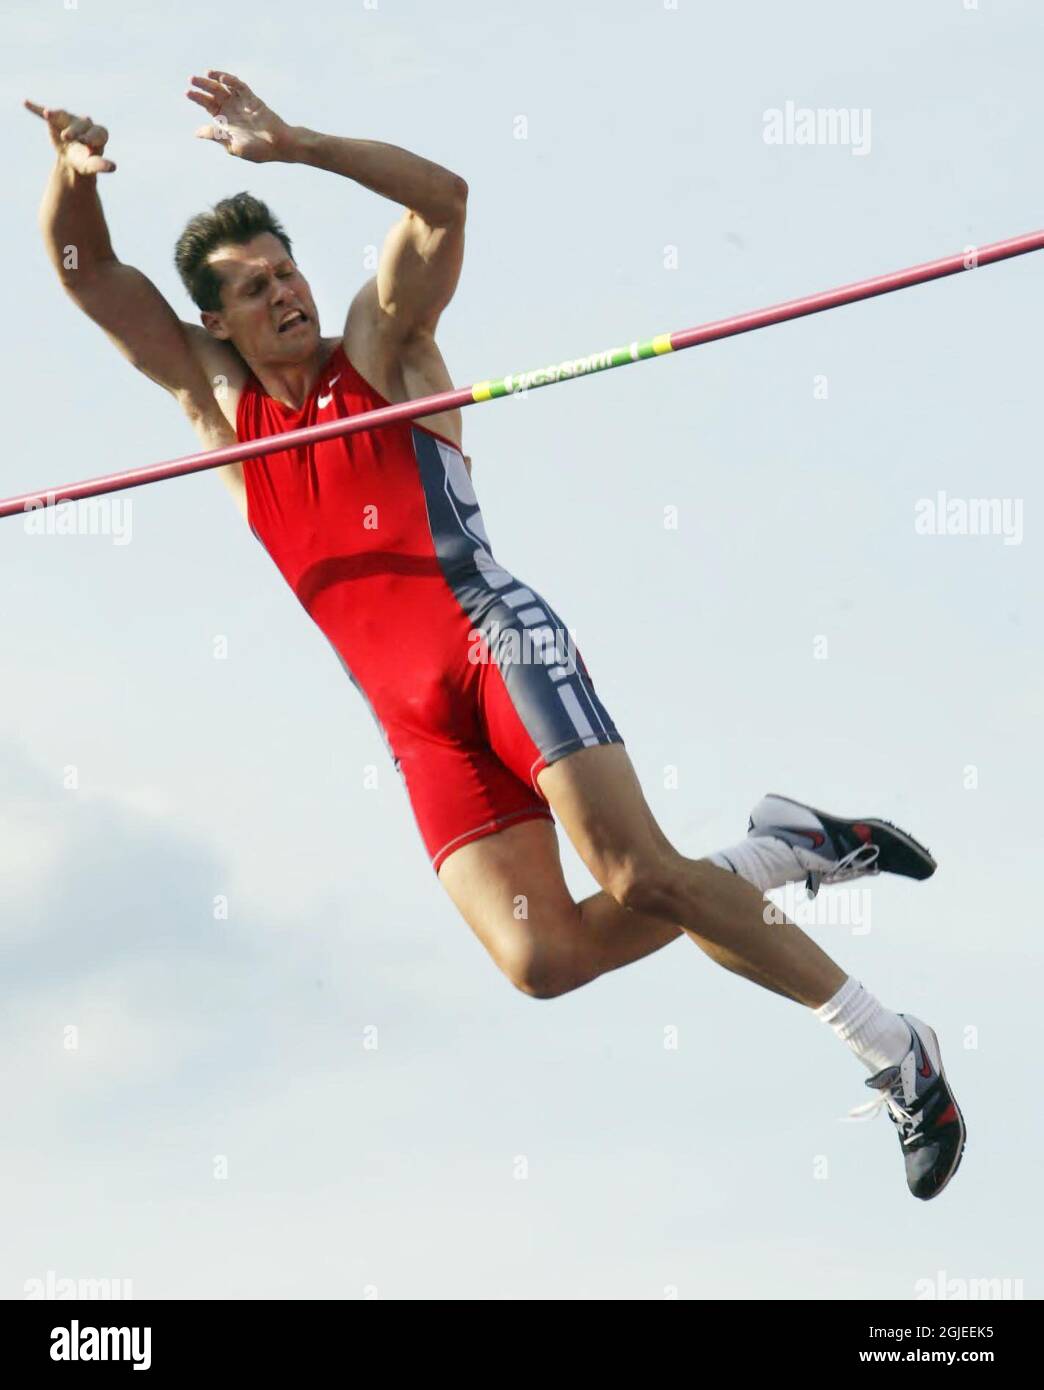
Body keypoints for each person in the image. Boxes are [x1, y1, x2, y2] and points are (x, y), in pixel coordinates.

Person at [25, 72, 965, 1200]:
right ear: (215, 321)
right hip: (414, 723)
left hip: (495, 645)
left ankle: (896, 1049)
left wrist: (300, 145)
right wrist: (70, 181)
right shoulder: (218, 402)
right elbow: (94, 285)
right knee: (543, 957)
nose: (285, 293)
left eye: (288, 269)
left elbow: (446, 205)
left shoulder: (379, 346)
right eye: (255, 287)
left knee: (640, 873)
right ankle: (783, 847)